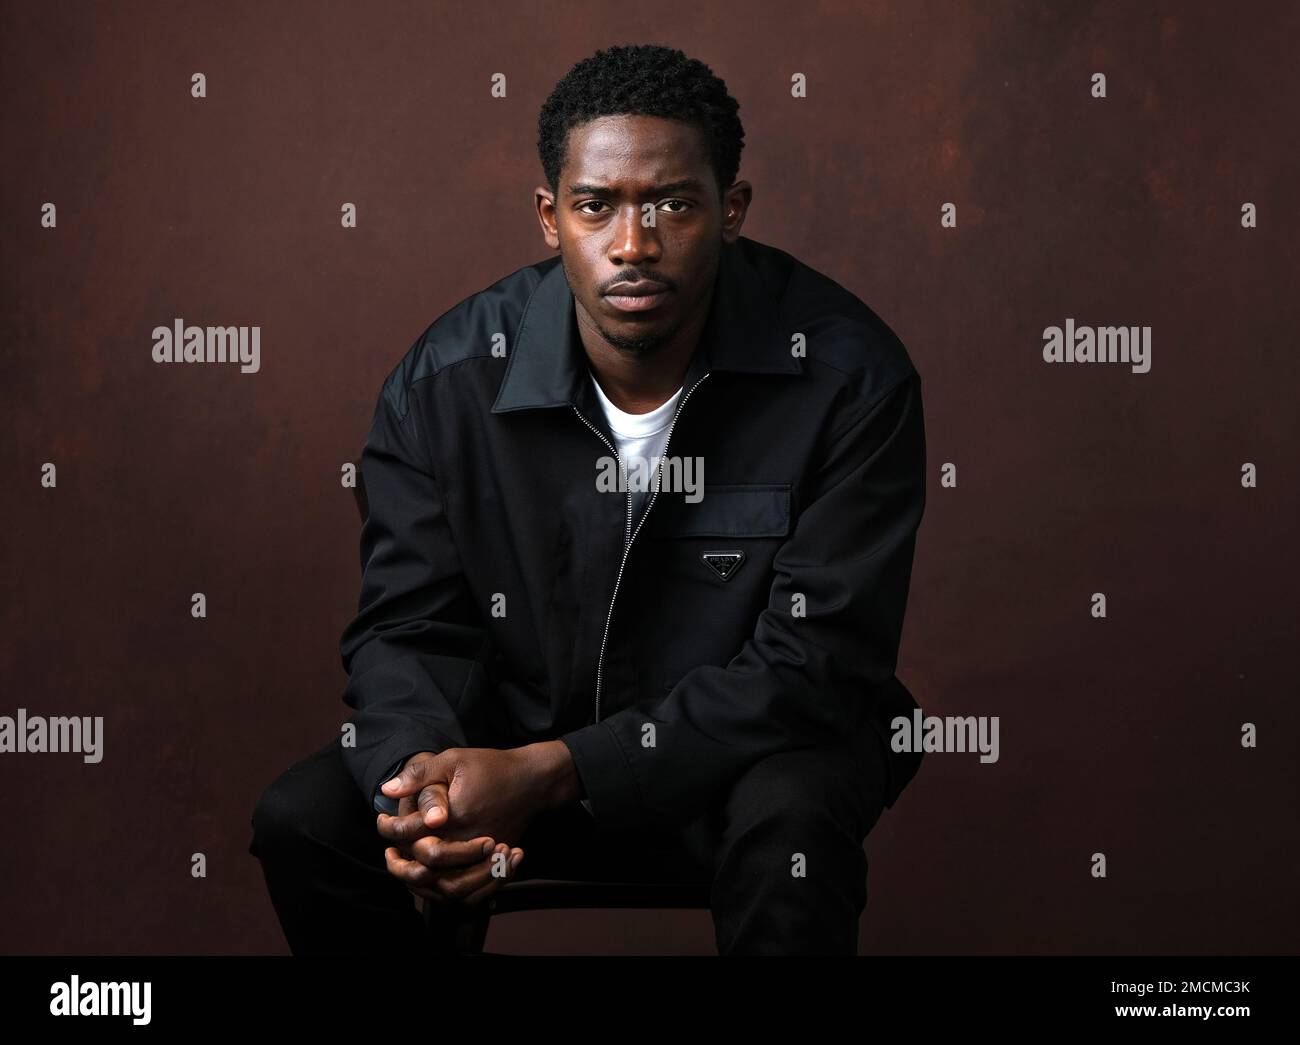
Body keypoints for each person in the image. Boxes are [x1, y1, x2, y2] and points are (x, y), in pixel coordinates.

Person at [249, 43, 927, 956]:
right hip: (511, 749)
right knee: (309, 819)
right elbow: (408, 630)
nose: (633, 244)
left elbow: (816, 667)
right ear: (549, 216)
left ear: (732, 210)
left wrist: (558, 771)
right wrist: (422, 787)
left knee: (791, 830)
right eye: (596, 205)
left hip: (746, 759)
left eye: (673, 205)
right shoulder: (444, 385)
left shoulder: (849, 377)